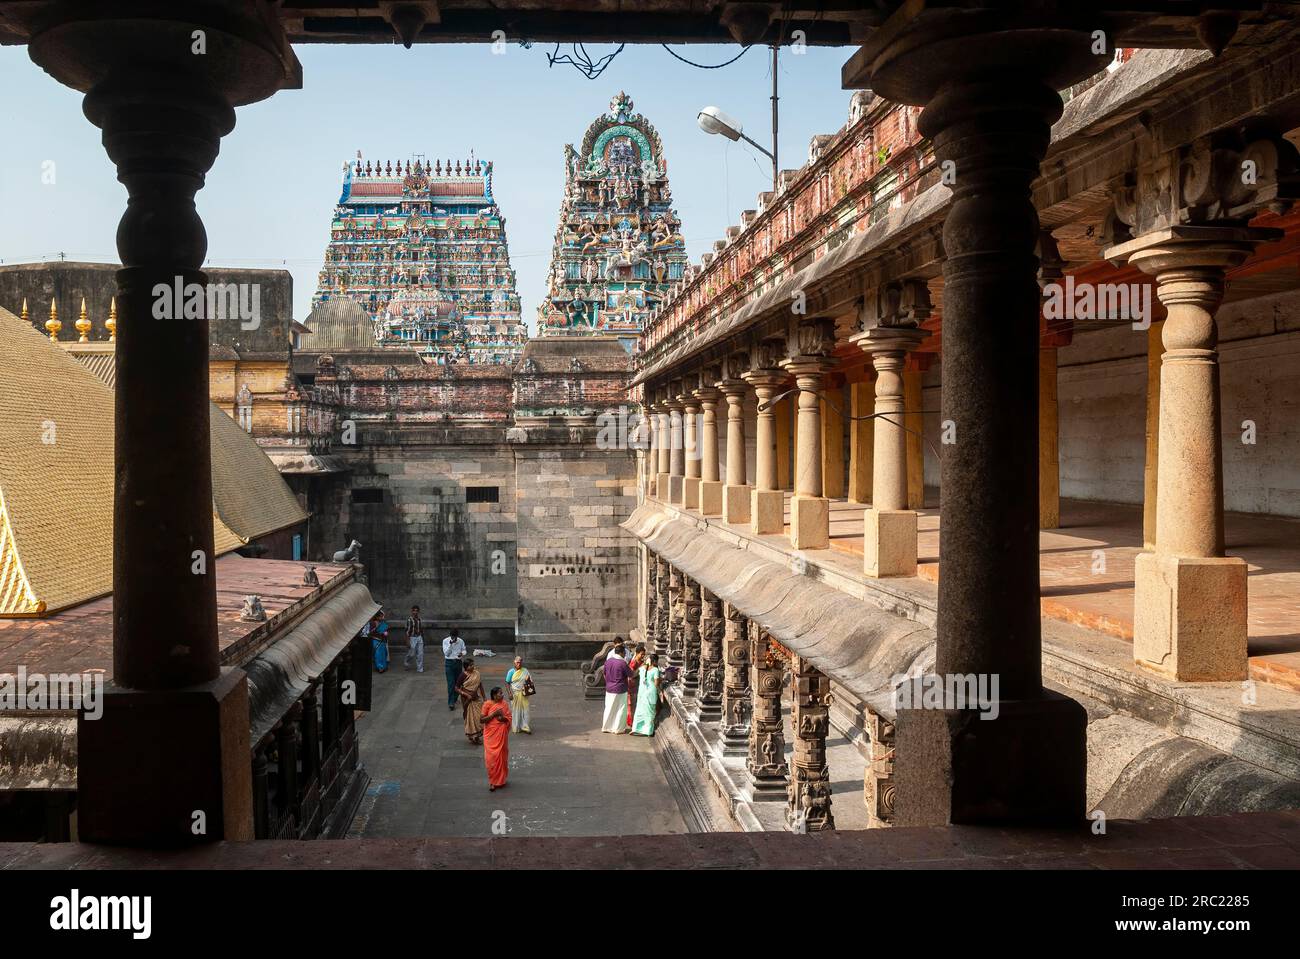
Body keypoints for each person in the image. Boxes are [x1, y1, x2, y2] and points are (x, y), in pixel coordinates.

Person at [482, 687, 512, 791]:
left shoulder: (504, 704)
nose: (502, 695)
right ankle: (492, 782)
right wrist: (494, 714)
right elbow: (482, 719)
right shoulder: (487, 704)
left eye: (502, 693)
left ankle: (501, 779)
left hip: (501, 734)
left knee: (502, 757)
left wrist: (503, 718)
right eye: (500, 693)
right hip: (490, 736)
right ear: (494, 695)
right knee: (491, 759)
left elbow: (509, 717)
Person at [601, 643, 633, 734]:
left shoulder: (608, 661)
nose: (625, 655)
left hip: (609, 688)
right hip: (620, 689)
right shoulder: (622, 663)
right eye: (624, 653)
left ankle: (606, 726)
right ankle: (618, 728)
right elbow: (631, 674)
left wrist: (609, 682)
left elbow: (604, 674)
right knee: (621, 709)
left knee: (609, 708)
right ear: (622, 653)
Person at [456, 658, 485, 745]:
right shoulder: (463, 675)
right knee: (470, 717)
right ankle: (473, 736)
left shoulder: (476, 673)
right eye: (470, 665)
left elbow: (480, 685)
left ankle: (477, 735)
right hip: (467, 700)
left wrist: (484, 697)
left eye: (473, 664)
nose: (473, 666)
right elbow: (456, 688)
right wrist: (465, 694)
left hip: (476, 698)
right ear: (466, 667)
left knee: (478, 717)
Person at [632, 654, 662, 736]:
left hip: (642, 692)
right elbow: (656, 684)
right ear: (655, 661)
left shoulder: (641, 668)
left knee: (640, 710)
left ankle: (636, 729)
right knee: (650, 712)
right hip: (651, 693)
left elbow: (633, 675)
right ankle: (648, 731)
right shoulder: (655, 670)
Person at [504, 655, 533, 734]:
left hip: (524, 693)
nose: (519, 664)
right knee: (516, 710)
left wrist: (528, 683)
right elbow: (507, 683)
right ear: (514, 662)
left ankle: (525, 726)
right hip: (515, 694)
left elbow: (529, 680)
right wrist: (509, 693)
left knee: (525, 710)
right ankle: (517, 726)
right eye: (517, 662)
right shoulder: (511, 672)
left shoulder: (525, 670)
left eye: (520, 662)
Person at [441, 627, 466, 710]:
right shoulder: (445, 641)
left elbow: (464, 650)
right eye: (452, 637)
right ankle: (451, 702)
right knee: (451, 683)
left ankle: (455, 698)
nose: (454, 638)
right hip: (449, 663)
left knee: (458, 683)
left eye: (455, 637)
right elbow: (446, 654)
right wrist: (451, 644)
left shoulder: (461, 641)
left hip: (458, 663)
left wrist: (461, 654)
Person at [625, 644, 646, 729]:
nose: (643, 656)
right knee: (631, 705)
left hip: (637, 686)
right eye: (641, 654)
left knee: (636, 704)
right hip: (631, 686)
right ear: (637, 653)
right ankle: (631, 722)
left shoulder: (640, 661)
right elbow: (631, 675)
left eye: (644, 654)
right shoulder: (633, 662)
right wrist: (641, 667)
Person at [404, 605, 425, 673]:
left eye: (416, 611)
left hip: (419, 637)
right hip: (412, 638)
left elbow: (421, 629)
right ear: (412, 611)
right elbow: (407, 631)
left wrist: (423, 639)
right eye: (414, 611)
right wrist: (407, 641)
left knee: (420, 654)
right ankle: (406, 662)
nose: (415, 612)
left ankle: (420, 668)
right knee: (411, 653)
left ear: (418, 612)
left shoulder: (419, 619)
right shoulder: (409, 620)